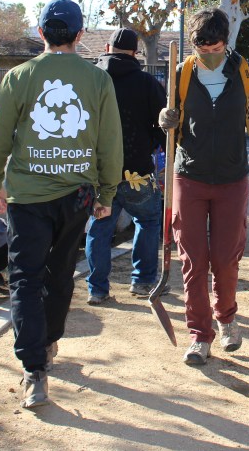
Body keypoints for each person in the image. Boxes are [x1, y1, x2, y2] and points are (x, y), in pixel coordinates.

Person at [0, 0, 122, 409]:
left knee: (25, 278)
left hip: (27, 198)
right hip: (76, 197)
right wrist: (107, 194)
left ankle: (33, 369)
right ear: (80, 35)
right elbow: (109, 143)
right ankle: (48, 344)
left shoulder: (19, 77)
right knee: (60, 273)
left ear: (41, 32)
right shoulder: (98, 80)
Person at [157, 7, 249, 367]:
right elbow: (171, 120)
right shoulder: (181, 73)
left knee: (226, 260)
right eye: (203, 49)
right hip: (189, 176)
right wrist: (164, 120)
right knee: (193, 261)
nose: (210, 55)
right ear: (193, 45)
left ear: (226, 43)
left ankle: (226, 318)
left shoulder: (243, 70)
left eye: (216, 49)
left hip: (231, 178)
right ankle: (199, 336)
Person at [85, 28, 166, 305]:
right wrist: (153, 145)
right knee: (148, 221)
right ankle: (142, 281)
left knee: (99, 227)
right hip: (137, 171)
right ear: (135, 52)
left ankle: (97, 288)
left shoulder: (92, 79)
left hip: (99, 172)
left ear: (107, 48)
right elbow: (163, 126)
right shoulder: (147, 83)